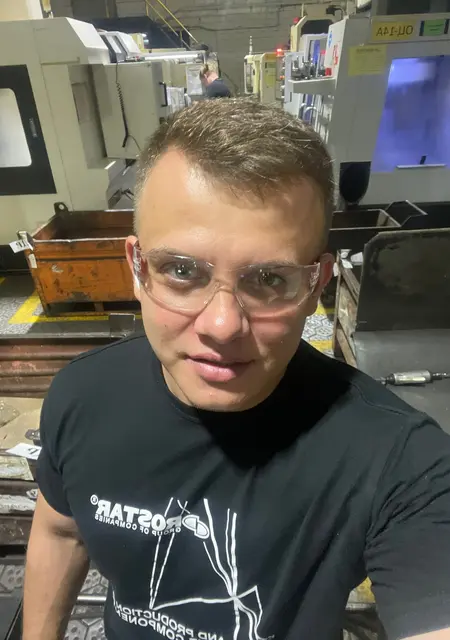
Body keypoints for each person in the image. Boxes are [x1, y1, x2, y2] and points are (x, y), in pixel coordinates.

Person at [24, 99, 450, 640]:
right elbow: (61, 532)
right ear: (137, 267)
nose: (222, 325)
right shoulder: (82, 396)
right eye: (182, 271)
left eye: (269, 280)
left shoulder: (401, 462)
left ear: (316, 286)